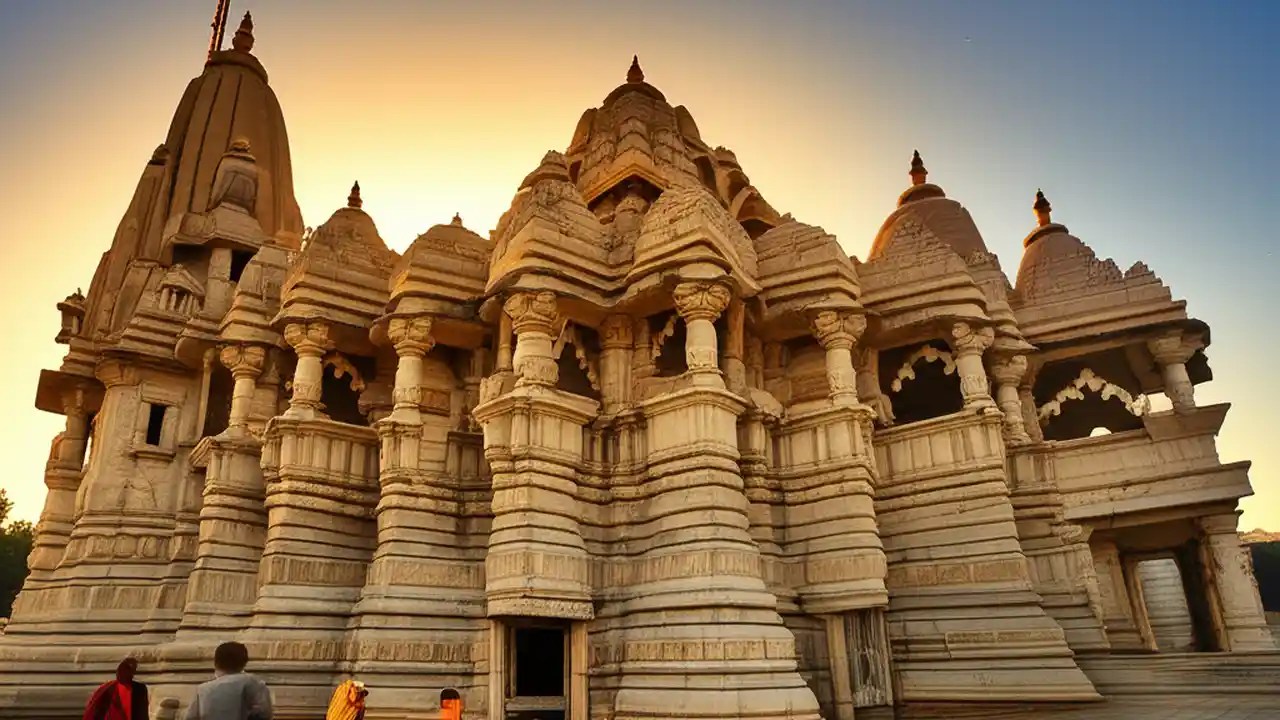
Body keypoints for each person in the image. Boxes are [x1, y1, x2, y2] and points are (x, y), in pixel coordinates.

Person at [183, 641, 273, 720]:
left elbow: (190, 717)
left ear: (215, 663)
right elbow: (264, 713)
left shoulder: (202, 689)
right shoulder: (253, 682)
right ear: (244, 662)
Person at [83, 657, 149, 720]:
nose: (119, 673)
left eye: (124, 669)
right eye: (119, 670)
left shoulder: (140, 689)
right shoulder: (108, 688)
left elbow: (143, 714)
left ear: (132, 673)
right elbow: (98, 711)